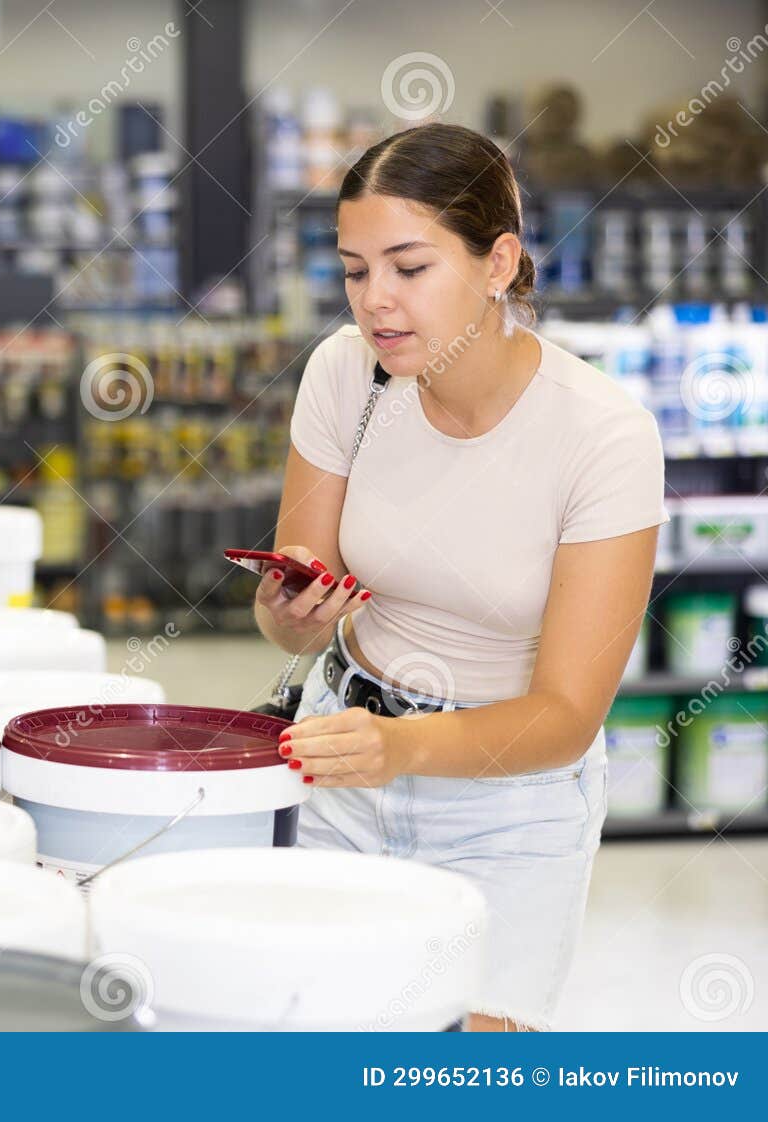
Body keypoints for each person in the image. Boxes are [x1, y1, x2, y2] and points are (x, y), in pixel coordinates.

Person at [256, 123, 666, 1032]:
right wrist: (289, 613)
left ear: (497, 262)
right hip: (340, 763)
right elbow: (294, 619)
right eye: (355, 270)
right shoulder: (343, 373)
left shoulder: (603, 436)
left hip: (509, 813)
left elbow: (565, 716)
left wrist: (397, 751)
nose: (375, 302)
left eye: (410, 266)